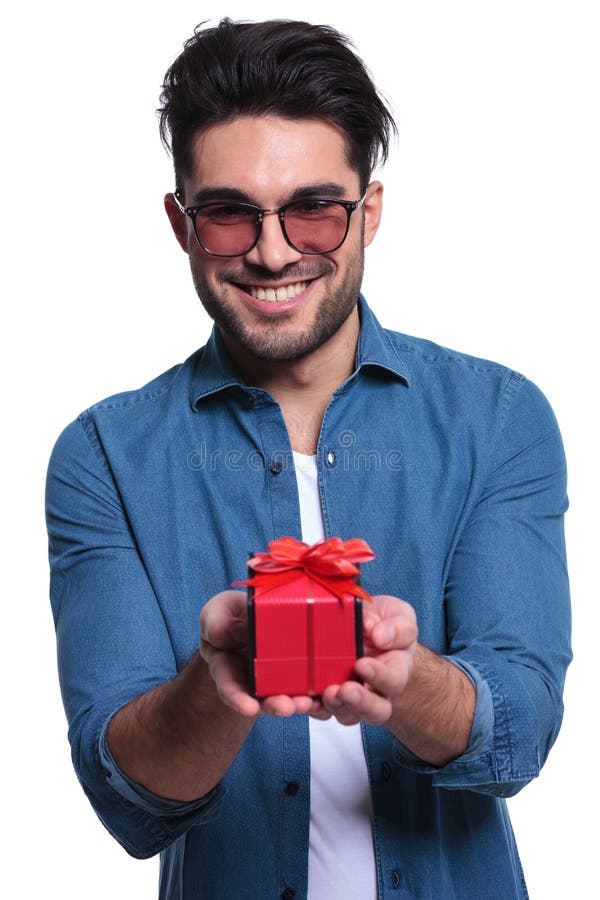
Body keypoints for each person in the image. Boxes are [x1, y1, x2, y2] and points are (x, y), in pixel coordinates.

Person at [46, 18, 571, 900]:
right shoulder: (104, 456)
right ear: (183, 225)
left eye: (314, 211)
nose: (274, 250)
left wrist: (407, 682)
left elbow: (520, 730)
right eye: (229, 214)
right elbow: (126, 796)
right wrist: (216, 684)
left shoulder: (499, 419)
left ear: (368, 213)